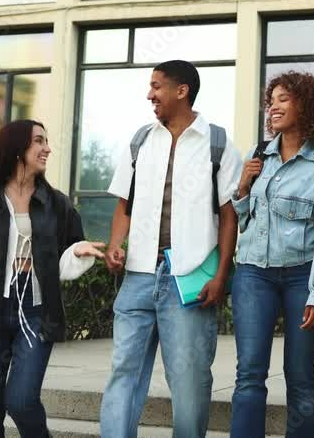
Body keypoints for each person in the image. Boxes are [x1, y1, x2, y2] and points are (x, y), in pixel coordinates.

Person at [0, 119, 107, 438]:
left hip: (36, 312)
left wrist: (77, 251)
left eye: (47, 140)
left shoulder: (57, 204)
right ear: (16, 149)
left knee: (22, 401)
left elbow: (65, 255)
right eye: (39, 141)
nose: (47, 148)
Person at [100, 59, 242, 438]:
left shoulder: (218, 143)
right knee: (123, 372)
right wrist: (116, 245)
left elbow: (229, 216)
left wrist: (221, 275)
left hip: (189, 277)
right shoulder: (141, 140)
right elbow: (123, 206)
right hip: (138, 275)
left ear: (182, 91)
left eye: (157, 86)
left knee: (190, 378)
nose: (150, 94)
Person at [229, 71, 314, 438]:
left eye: (284, 99)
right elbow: (245, 220)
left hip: (302, 276)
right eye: (271, 100)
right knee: (249, 373)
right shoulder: (257, 153)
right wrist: (243, 187)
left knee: (299, 376)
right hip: (252, 273)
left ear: (307, 105)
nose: (274, 107)